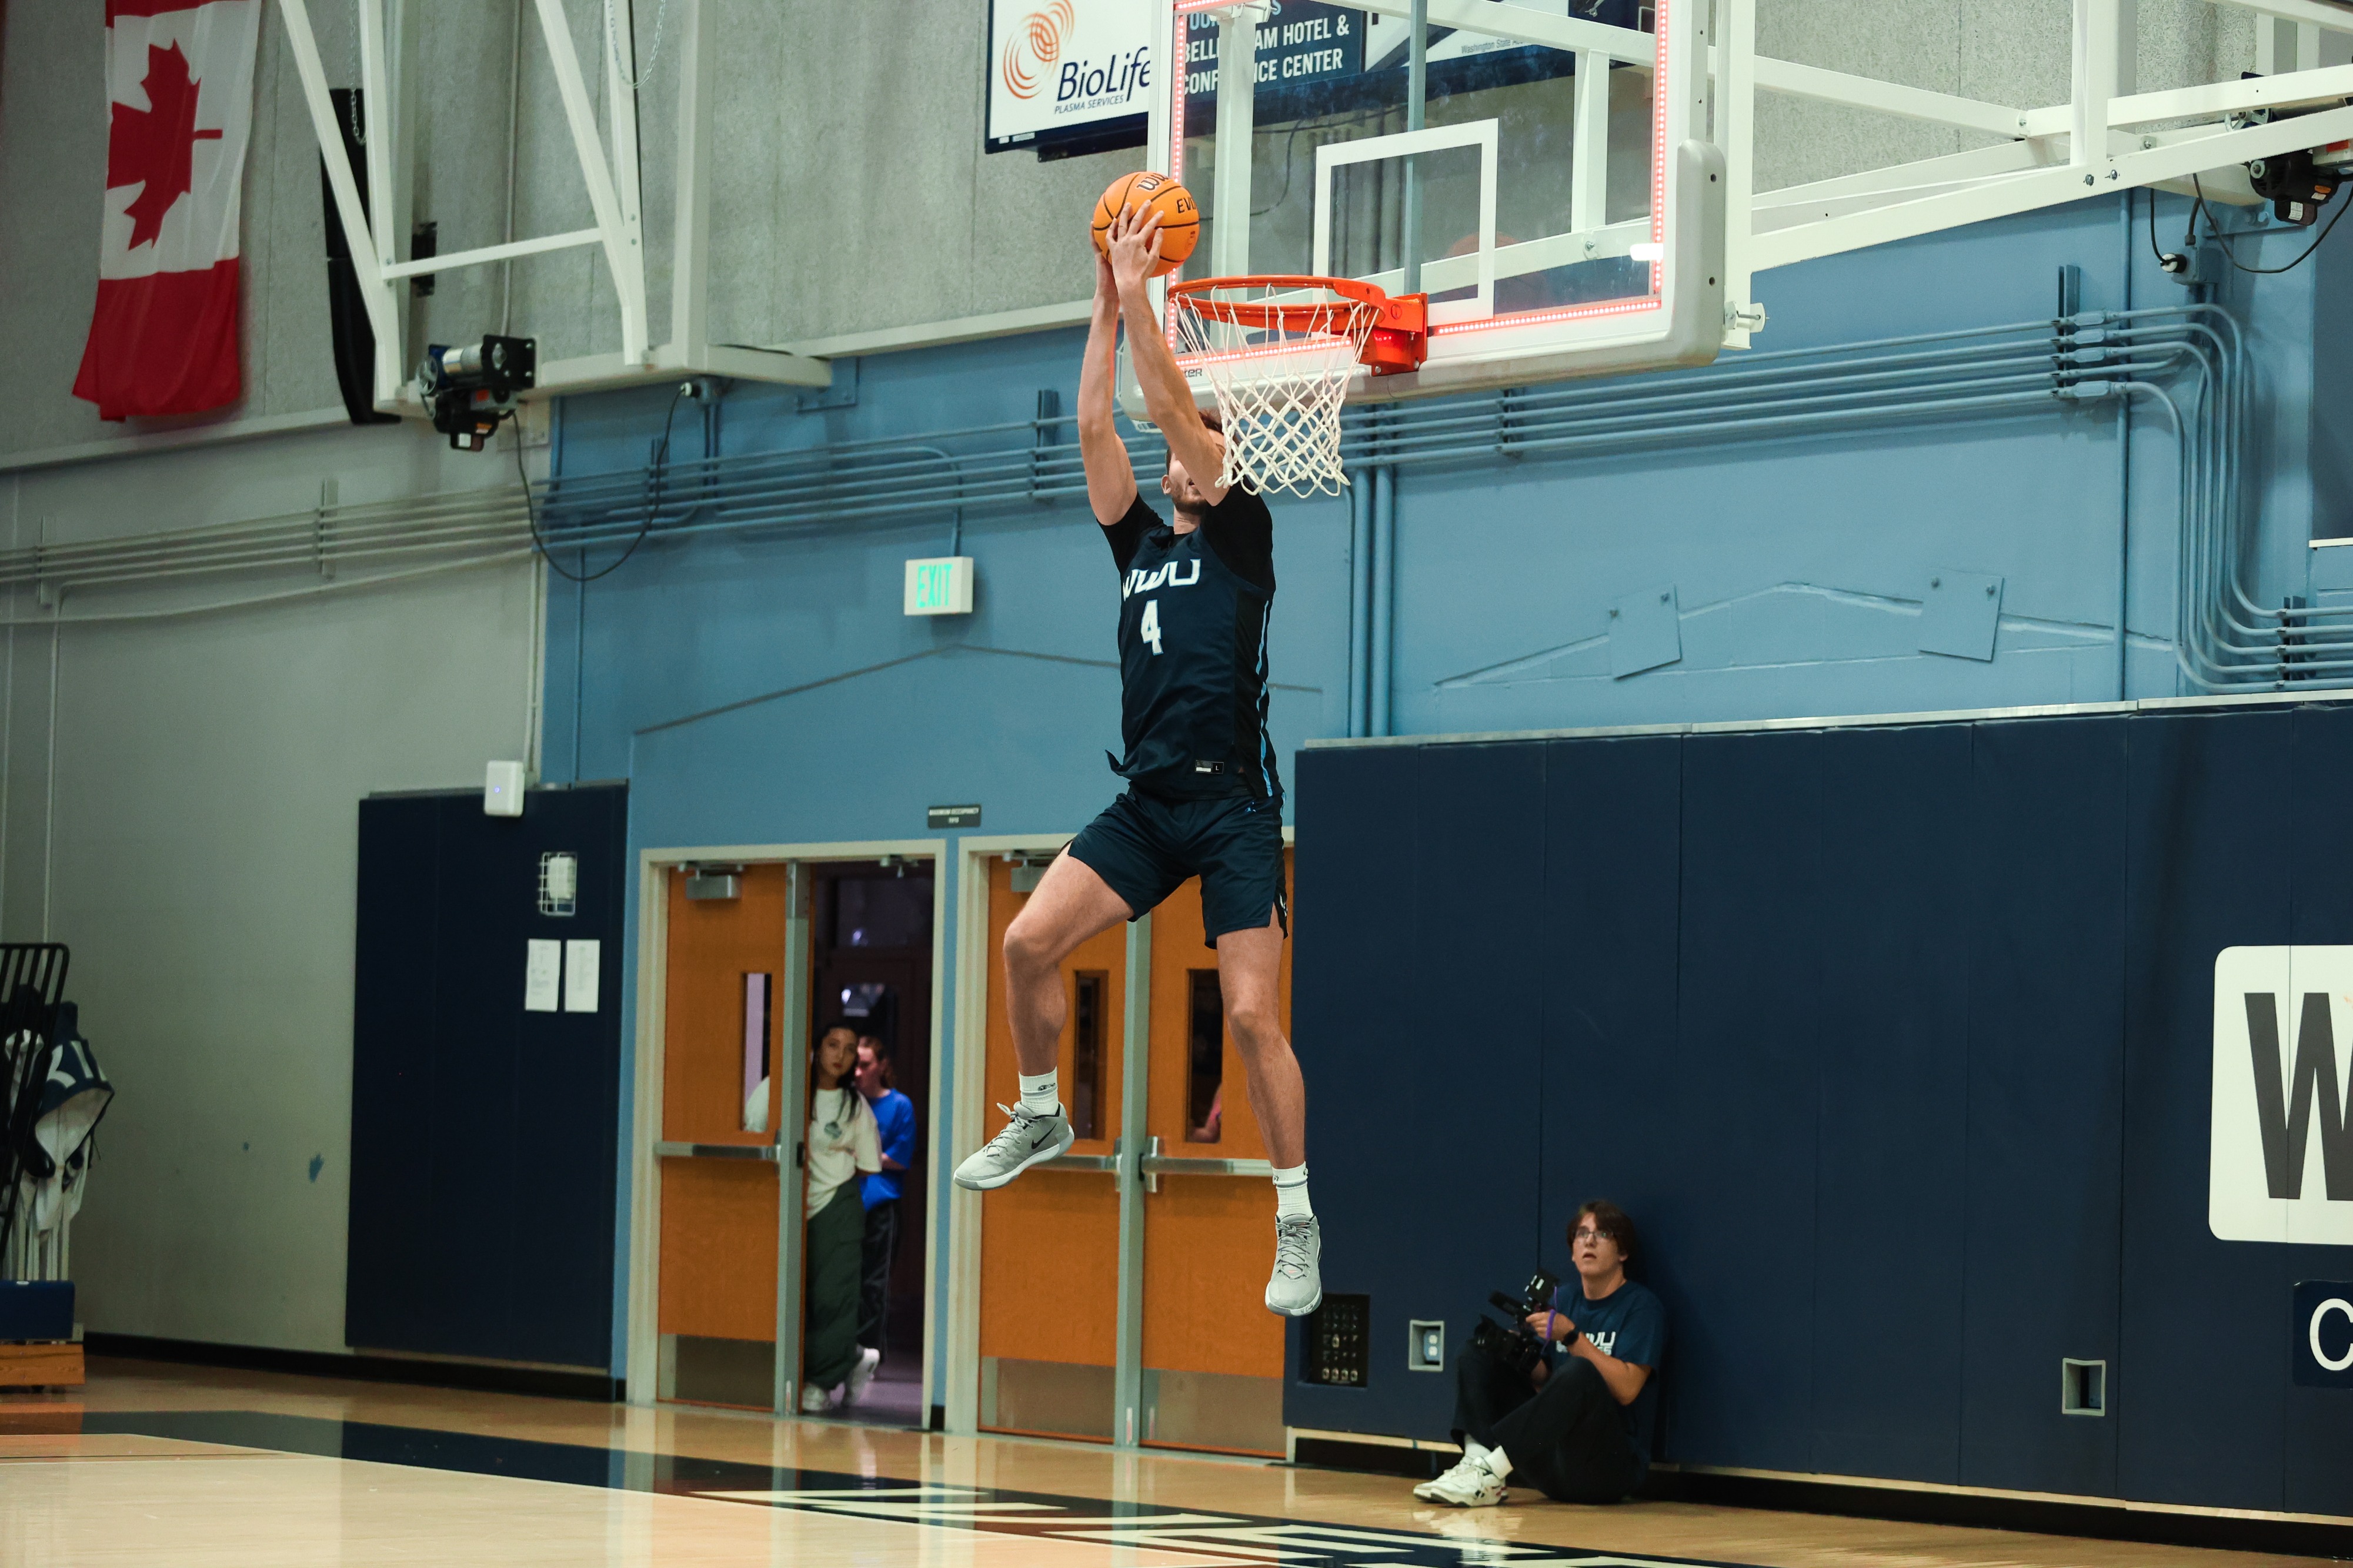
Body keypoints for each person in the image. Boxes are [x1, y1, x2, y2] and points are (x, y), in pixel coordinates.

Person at [950, 201, 1320, 1318]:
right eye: (1171, 456)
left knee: (1254, 1018)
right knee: (1023, 941)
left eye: (1190, 448)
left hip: (1236, 810)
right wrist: (1105, 299)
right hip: (1149, 801)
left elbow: (1166, 403)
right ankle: (1040, 1109)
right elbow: (1097, 422)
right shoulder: (1139, 546)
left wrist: (1145, 283)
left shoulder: (1245, 527)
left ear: (1216, 461)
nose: (1171, 460)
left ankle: (1294, 1213)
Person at [1414, 1201, 1667, 1507]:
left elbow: (1627, 1390)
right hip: (1553, 1464)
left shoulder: (1641, 1306)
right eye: (1581, 1234)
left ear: (1623, 1252)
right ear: (1572, 1252)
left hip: (1608, 1470)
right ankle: (1477, 1464)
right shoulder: (1566, 1298)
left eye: (1602, 1234)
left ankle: (1492, 1470)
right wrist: (1516, 1357)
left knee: (1581, 1371)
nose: (1589, 1241)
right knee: (1476, 1352)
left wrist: (1573, 1337)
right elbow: (1547, 1381)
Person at [801, 1021, 882, 1413]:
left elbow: (868, 1165)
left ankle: (820, 1381)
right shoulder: (784, 1088)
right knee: (798, 1298)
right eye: (832, 1044)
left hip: (836, 1205)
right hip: (789, 1208)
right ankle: (853, 1356)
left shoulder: (855, 1106)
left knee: (832, 1298)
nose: (840, 1054)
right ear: (816, 1047)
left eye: (849, 1048)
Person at [853, 1034, 916, 1360]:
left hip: (881, 1205)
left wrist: (862, 1155)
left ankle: (871, 1352)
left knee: (874, 1284)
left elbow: (901, 1159)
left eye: (865, 1065)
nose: (858, 1073)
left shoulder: (899, 1106)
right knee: (847, 1280)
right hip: (848, 1203)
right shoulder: (849, 1103)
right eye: (856, 1066)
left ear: (881, 1066)